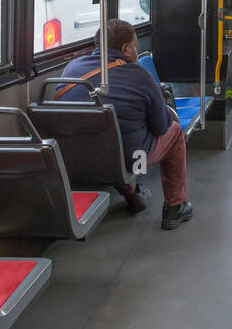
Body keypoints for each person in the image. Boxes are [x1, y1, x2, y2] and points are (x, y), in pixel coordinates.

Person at [57, 18, 193, 230]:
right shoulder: (139, 75)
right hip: (130, 160)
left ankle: (133, 194)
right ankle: (175, 207)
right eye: (135, 46)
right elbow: (160, 128)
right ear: (125, 48)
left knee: (114, 142)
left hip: (74, 159)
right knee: (174, 133)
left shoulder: (71, 69)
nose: (135, 51)